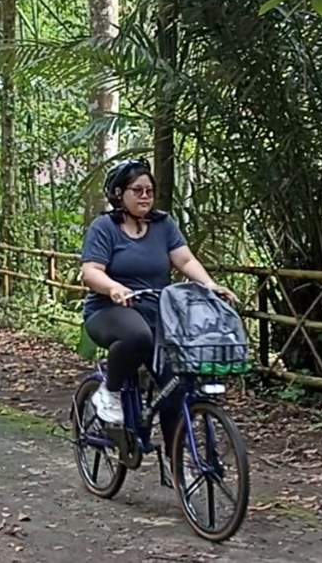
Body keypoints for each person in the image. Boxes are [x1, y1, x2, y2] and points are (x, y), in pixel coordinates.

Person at [80, 158, 237, 435]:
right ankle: (110, 391)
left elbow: (185, 260)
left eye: (149, 191)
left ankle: (178, 467)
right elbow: (91, 271)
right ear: (119, 194)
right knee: (138, 336)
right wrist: (114, 287)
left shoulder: (164, 225)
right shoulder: (104, 227)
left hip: (158, 314)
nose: (144, 196)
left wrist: (210, 286)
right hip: (108, 311)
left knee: (176, 385)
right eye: (137, 190)